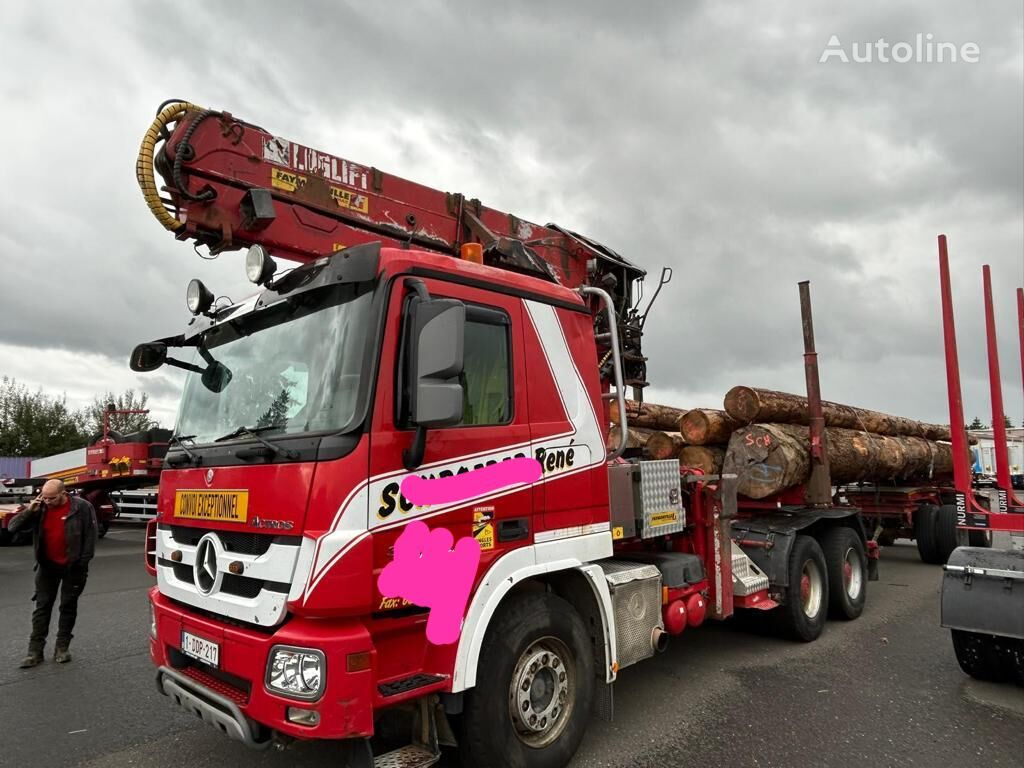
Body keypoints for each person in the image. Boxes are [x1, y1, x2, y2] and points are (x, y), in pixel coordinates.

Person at [8, 479, 98, 668]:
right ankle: (34, 652)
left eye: (52, 498)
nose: (47, 501)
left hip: (73, 567)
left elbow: (90, 537)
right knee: (42, 608)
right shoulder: (39, 507)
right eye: (45, 497)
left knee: (67, 606)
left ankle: (62, 648)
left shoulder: (82, 507)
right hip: (47, 566)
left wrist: (82, 563)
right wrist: (29, 511)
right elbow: (12, 527)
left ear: (64, 494)